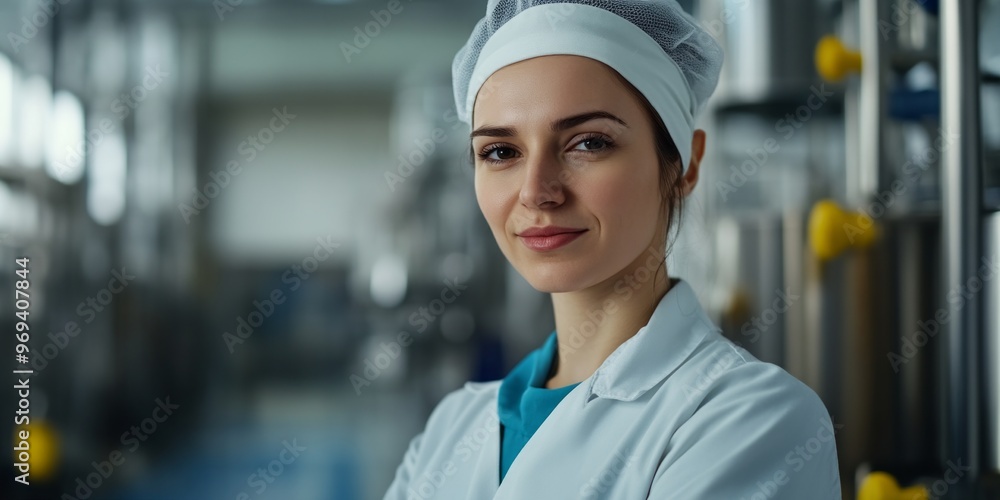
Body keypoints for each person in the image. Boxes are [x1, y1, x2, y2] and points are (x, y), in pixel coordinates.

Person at [384, 1, 842, 498]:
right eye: (500, 152)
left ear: (686, 165)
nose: (536, 191)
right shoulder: (449, 431)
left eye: (588, 143)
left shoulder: (751, 420)